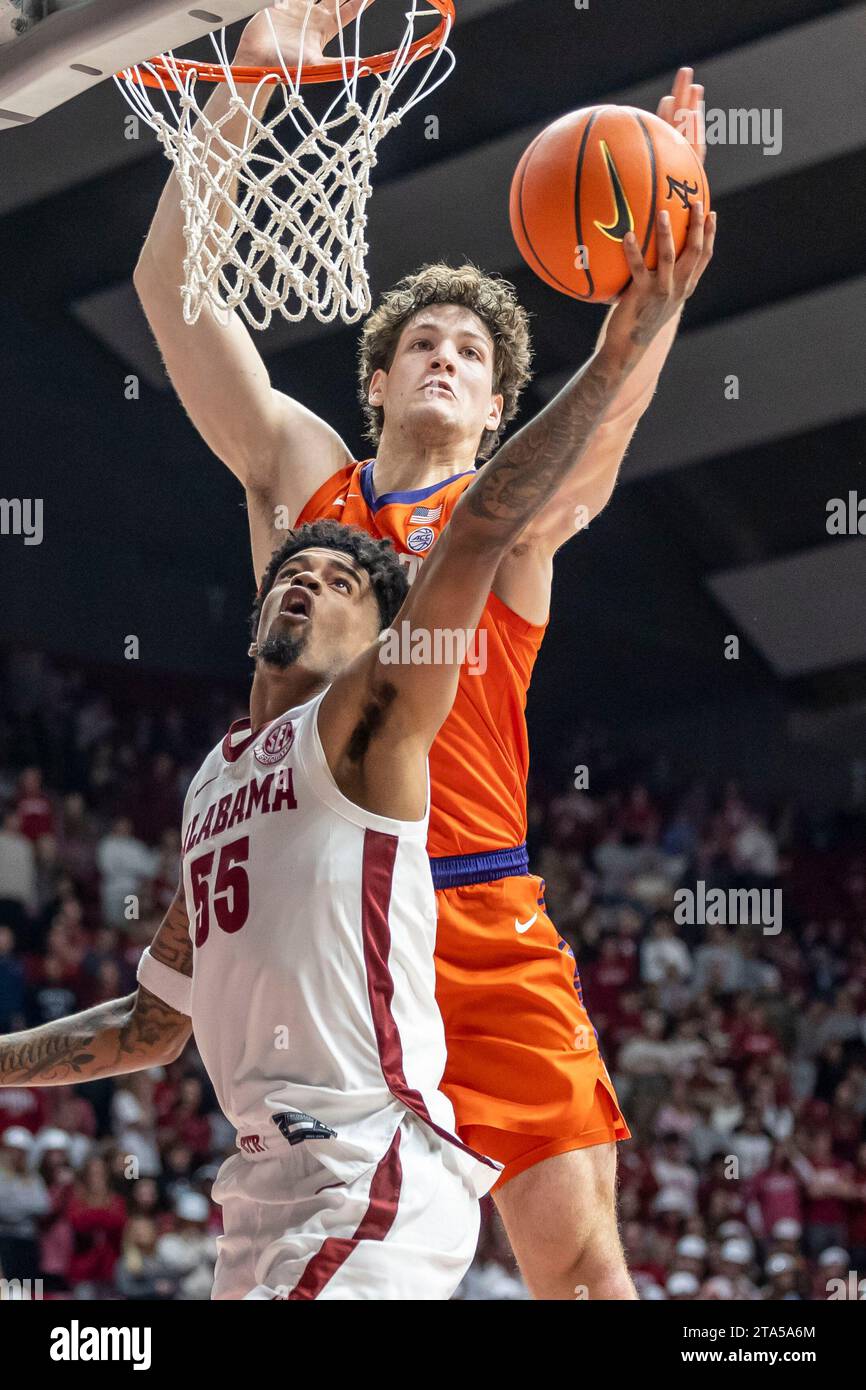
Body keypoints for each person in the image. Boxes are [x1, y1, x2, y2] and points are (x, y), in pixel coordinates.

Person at [133, 0, 716, 1297]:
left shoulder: (505, 523)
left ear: (503, 402)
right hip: (326, 904)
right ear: (377, 385)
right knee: (345, 1253)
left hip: (474, 904)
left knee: (576, 1267)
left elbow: (591, 460)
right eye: (420, 345)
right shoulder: (308, 488)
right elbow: (172, 304)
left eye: (470, 352)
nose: (444, 357)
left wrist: (653, 297)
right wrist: (252, 80)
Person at [0, 345, 659, 1296]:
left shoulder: (361, 735)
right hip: (263, 1199)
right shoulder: (212, 783)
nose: (306, 580)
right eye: (292, 573)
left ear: (384, 644)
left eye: (342, 582)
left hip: (370, 1188)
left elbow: (479, 530)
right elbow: (150, 1026)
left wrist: (620, 350)